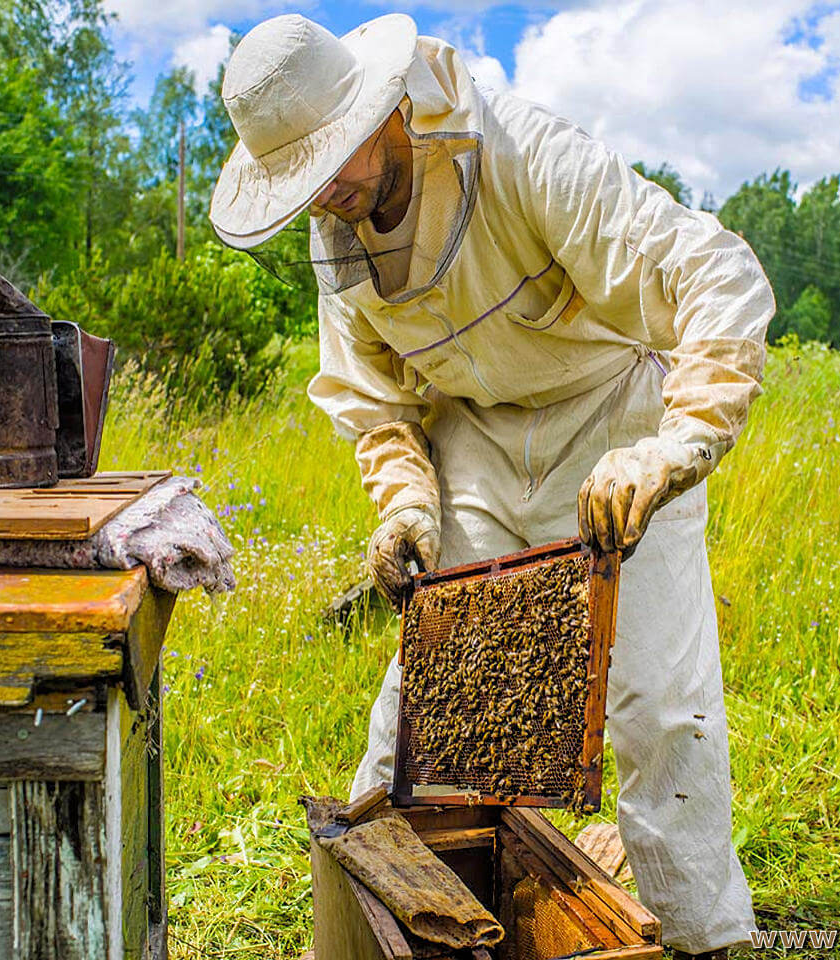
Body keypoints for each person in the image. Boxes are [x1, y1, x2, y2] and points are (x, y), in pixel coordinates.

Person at [210, 13, 775, 958]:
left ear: (389, 109)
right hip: (471, 431)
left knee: (656, 703)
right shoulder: (337, 235)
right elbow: (377, 406)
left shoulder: (520, 151)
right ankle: (366, 923)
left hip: (614, 416)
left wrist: (675, 446)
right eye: (309, 182)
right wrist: (407, 508)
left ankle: (700, 935)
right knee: (428, 695)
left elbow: (712, 271)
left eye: (339, 160)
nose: (335, 192)